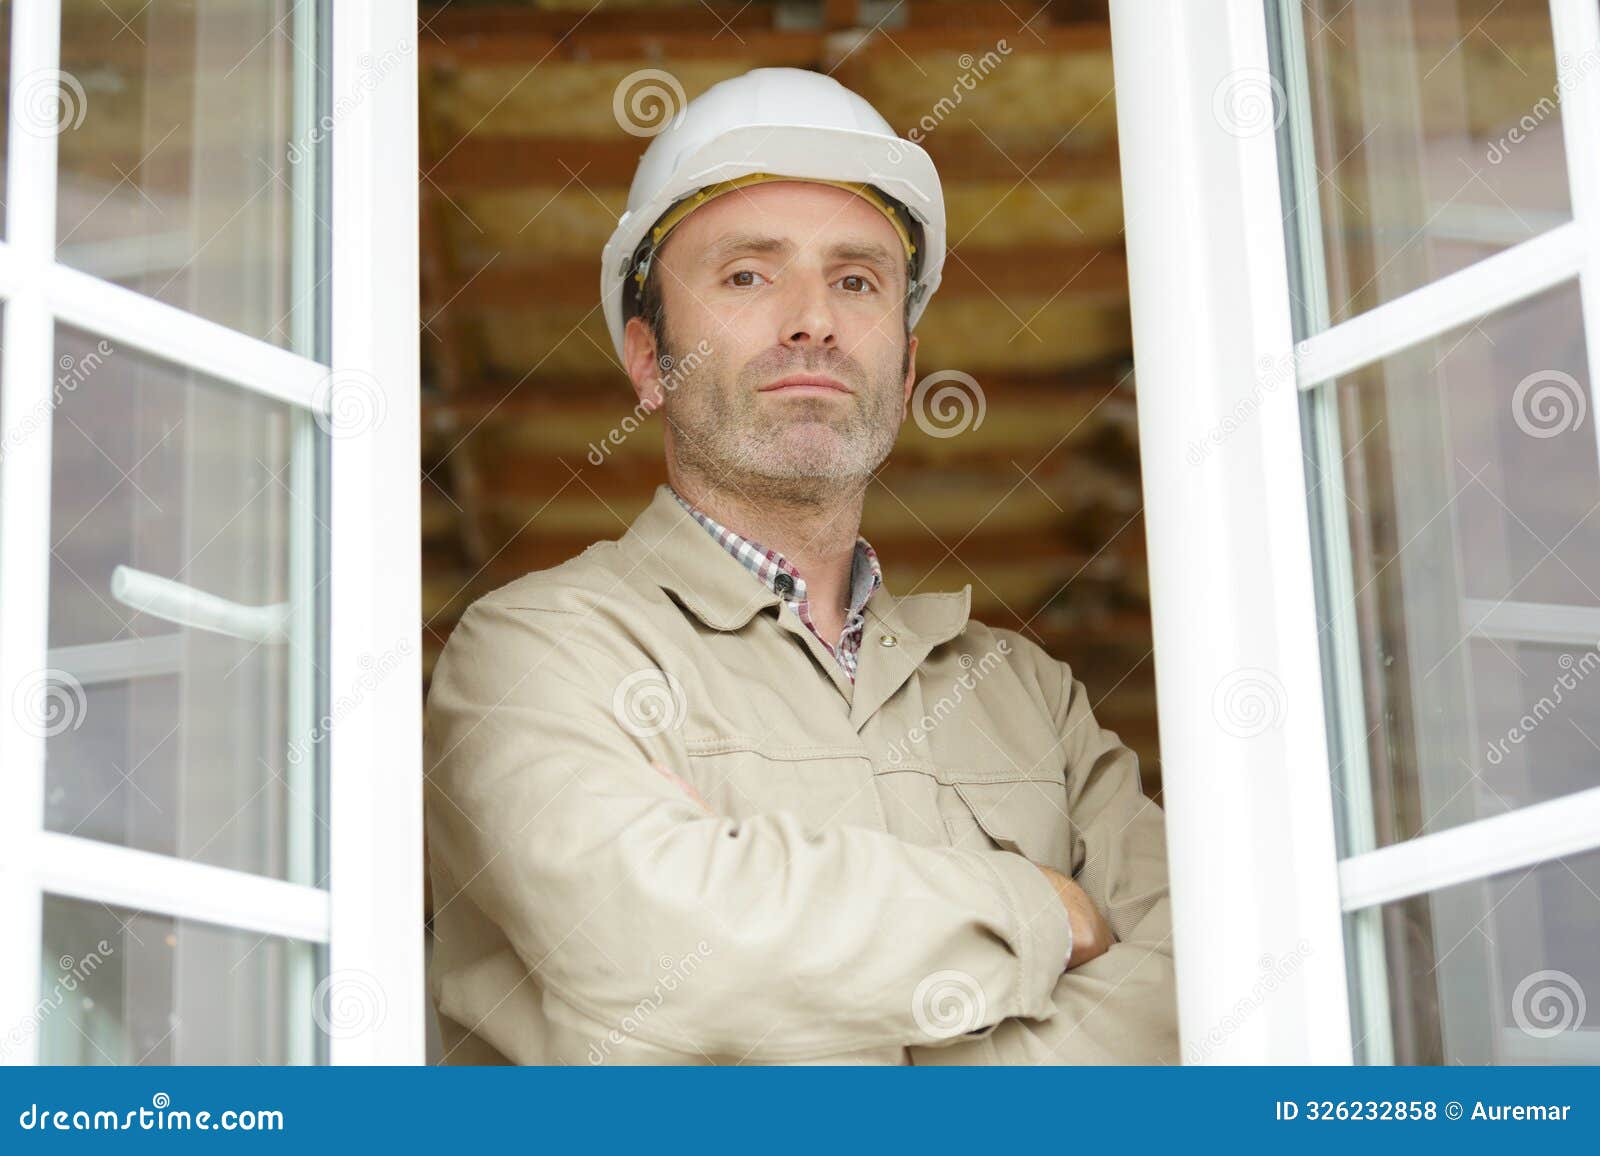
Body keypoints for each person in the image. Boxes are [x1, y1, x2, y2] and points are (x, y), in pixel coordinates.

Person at [424, 67, 1177, 1065]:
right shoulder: (534, 656)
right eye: (747, 275)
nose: (812, 318)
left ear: (907, 373)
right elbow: (661, 958)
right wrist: (1042, 910)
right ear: (648, 362)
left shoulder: (1030, 699)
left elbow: (1190, 990)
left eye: (856, 280)